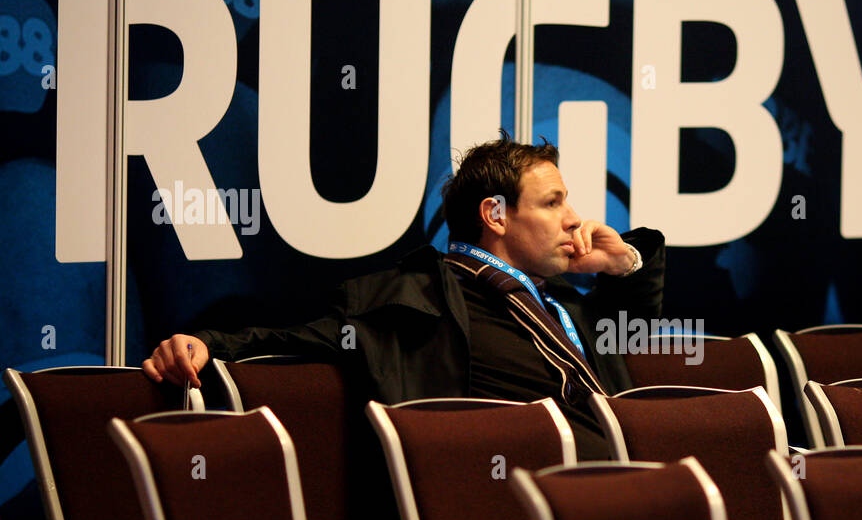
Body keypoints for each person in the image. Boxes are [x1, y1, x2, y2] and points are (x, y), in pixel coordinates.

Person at [143, 134, 666, 460]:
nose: (575, 218)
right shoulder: (419, 302)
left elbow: (633, 334)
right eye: (553, 202)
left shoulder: (562, 306)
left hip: (622, 488)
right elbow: (298, 339)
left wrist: (624, 263)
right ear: (496, 215)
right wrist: (204, 343)